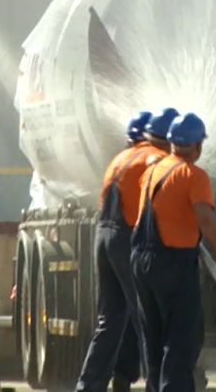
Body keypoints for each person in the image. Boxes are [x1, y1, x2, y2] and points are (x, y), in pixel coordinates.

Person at [76, 109, 177, 392]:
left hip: (104, 236)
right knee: (146, 317)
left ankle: (89, 385)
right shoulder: (153, 158)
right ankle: (157, 385)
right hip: (125, 240)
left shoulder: (121, 158)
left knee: (110, 319)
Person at [131, 112, 216, 392]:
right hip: (172, 264)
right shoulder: (193, 175)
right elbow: (204, 217)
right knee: (181, 341)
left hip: (141, 261)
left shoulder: (151, 172)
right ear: (197, 147)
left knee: (154, 339)